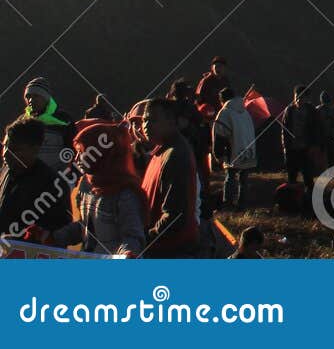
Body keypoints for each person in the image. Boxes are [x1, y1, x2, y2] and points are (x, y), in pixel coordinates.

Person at [50, 121, 145, 257]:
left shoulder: (125, 194)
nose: (76, 159)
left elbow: (133, 237)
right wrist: (54, 237)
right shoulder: (86, 184)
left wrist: (126, 255)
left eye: (81, 152)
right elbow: (85, 227)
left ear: (101, 154)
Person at [135, 99, 200, 257]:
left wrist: (145, 239)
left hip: (172, 252)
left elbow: (175, 216)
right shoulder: (161, 151)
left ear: (171, 121)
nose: (146, 125)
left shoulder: (176, 155)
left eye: (153, 120)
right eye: (144, 120)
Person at [0, 118, 72, 243]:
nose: (5, 153)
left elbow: (58, 232)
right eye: (5, 146)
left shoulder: (54, 184)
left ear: (35, 149)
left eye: (15, 149)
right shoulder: (5, 171)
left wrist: (24, 240)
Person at [212, 87, 258, 209]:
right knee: (244, 179)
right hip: (248, 150)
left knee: (230, 177)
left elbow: (220, 135)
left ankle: (228, 203)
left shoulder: (225, 112)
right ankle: (242, 204)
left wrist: (218, 154)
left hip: (233, 149)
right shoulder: (245, 111)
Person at [21, 77, 75, 179]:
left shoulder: (63, 119)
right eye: (28, 97)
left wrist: (67, 174)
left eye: (36, 96)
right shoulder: (23, 121)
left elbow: (73, 148)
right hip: (29, 179)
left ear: (46, 98)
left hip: (58, 178)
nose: (31, 100)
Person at [280, 86, 323, 198]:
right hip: (292, 149)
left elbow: (316, 130)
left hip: (306, 149)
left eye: (301, 97)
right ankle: (292, 201)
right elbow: (284, 130)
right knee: (292, 176)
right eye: (296, 97)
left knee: (308, 177)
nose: (298, 100)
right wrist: (285, 147)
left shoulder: (312, 111)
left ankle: (310, 201)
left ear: (306, 98)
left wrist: (314, 146)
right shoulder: (289, 110)